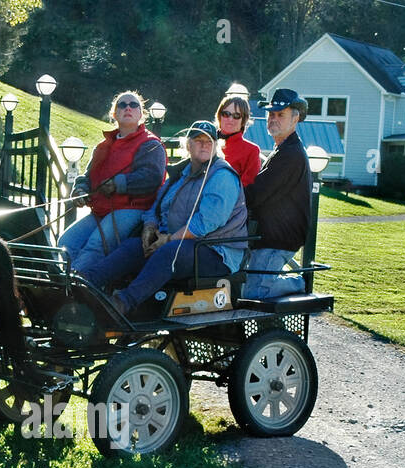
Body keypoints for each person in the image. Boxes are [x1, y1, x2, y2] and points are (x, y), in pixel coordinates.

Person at [82, 121, 247, 320]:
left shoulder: (222, 176)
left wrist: (168, 240)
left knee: (170, 253)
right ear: (188, 145)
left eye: (209, 141)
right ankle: (85, 284)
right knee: (133, 246)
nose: (204, 145)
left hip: (216, 251)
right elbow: (156, 207)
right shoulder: (181, 174)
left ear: (216, 146)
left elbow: (205, 223)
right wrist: (149, 228)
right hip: (181, 243)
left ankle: (122, 303)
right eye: (198, 140)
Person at [58, 91, 166, 275]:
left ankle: (78, 287)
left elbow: (152, 178)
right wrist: (81, 189)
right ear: (114, 114)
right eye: (122, 105)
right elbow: (88, 176)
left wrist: (119, 183)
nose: (128, 108)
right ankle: (63, 282)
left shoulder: (150, 144)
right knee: (66, 242)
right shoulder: (103, 145)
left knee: (95, 246)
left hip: (132, 209)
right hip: (101, 210)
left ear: (141, 114)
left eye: (134, 105)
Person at [243, 87, 313, 299]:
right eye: (271, 114)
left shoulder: (291, 155)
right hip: (266, 238)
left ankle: (299, 282)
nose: (273, 119)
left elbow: (256, 194)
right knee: (239, 287)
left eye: (280, 115)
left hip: (277, 240)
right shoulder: (282, 150)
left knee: (253, 291)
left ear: (295, 119)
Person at [215, 92, 261, 187]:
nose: (230, 119)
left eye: (236, 116)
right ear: (219, 116)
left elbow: (248, 188)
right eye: (226, 114)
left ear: (243, 120)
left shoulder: (251, 151)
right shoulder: (206, 142)